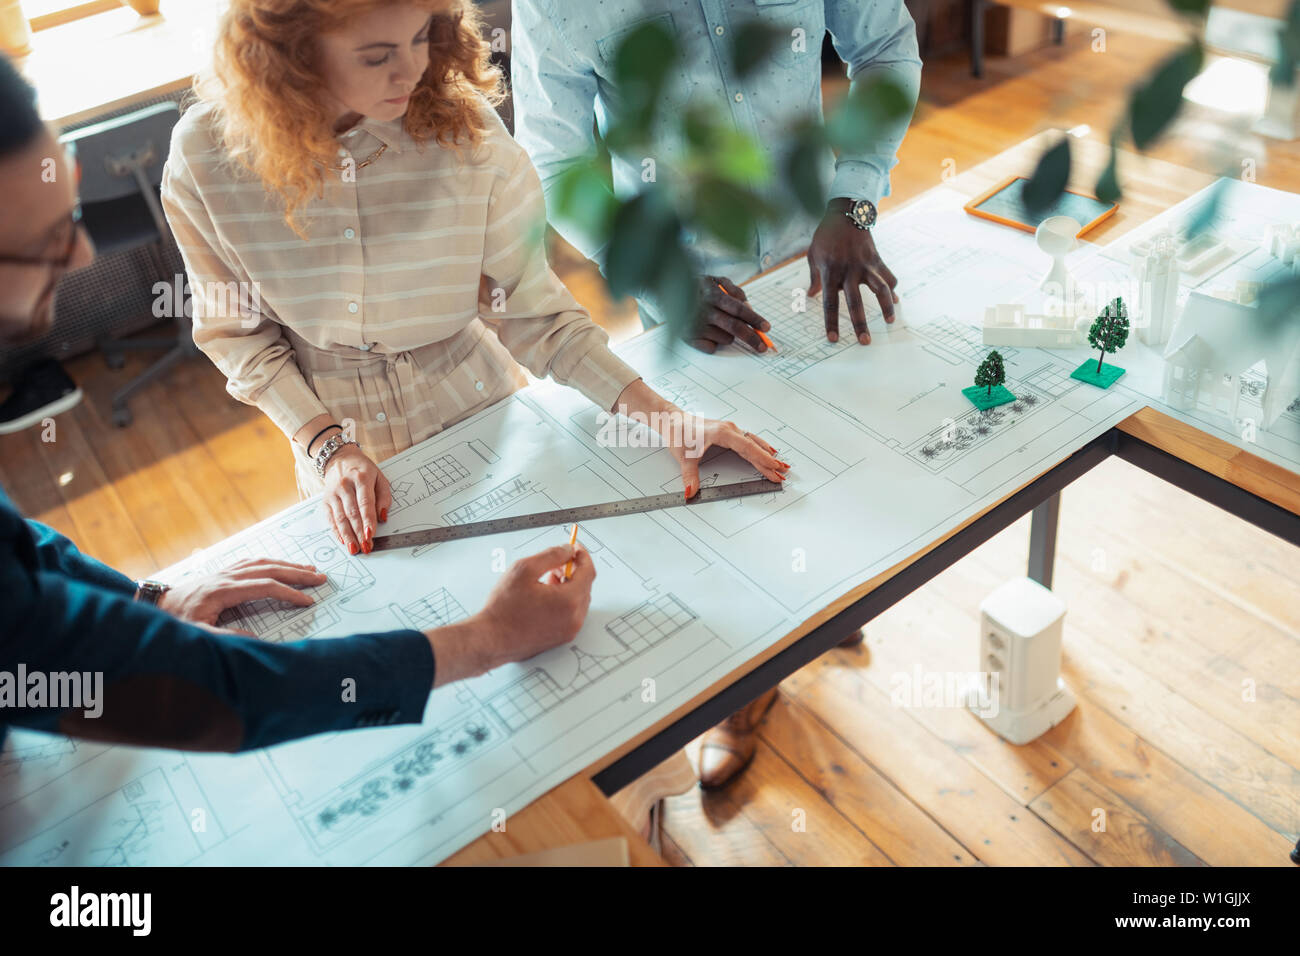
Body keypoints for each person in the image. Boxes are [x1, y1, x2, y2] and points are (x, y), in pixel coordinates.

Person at [0, 52, 597, 753]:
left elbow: (17, 550)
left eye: (69, 208)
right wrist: (490, 637)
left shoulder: (457, 128)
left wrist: (143, 600)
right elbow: (212, 693)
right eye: (42, 244)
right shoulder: (206, 160)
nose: (80, 257)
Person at [160, 0, 790, 563]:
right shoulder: (204, 159)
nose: (410, 71)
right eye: (377, 55)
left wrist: (670, 421)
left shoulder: (468, 135)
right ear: (292, 53)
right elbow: (238, 335)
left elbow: (538, 319)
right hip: (334, 445)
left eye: (419, 36)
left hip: (484, 414)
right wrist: (328, 449)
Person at [510, 0, 922, 787]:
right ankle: (743, 693)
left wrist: (854, 200)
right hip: (692, 294)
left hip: (824, 253)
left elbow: (887, 47)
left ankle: (830, 602)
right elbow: (557, 162)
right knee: (735, 505)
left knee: (840, 460)